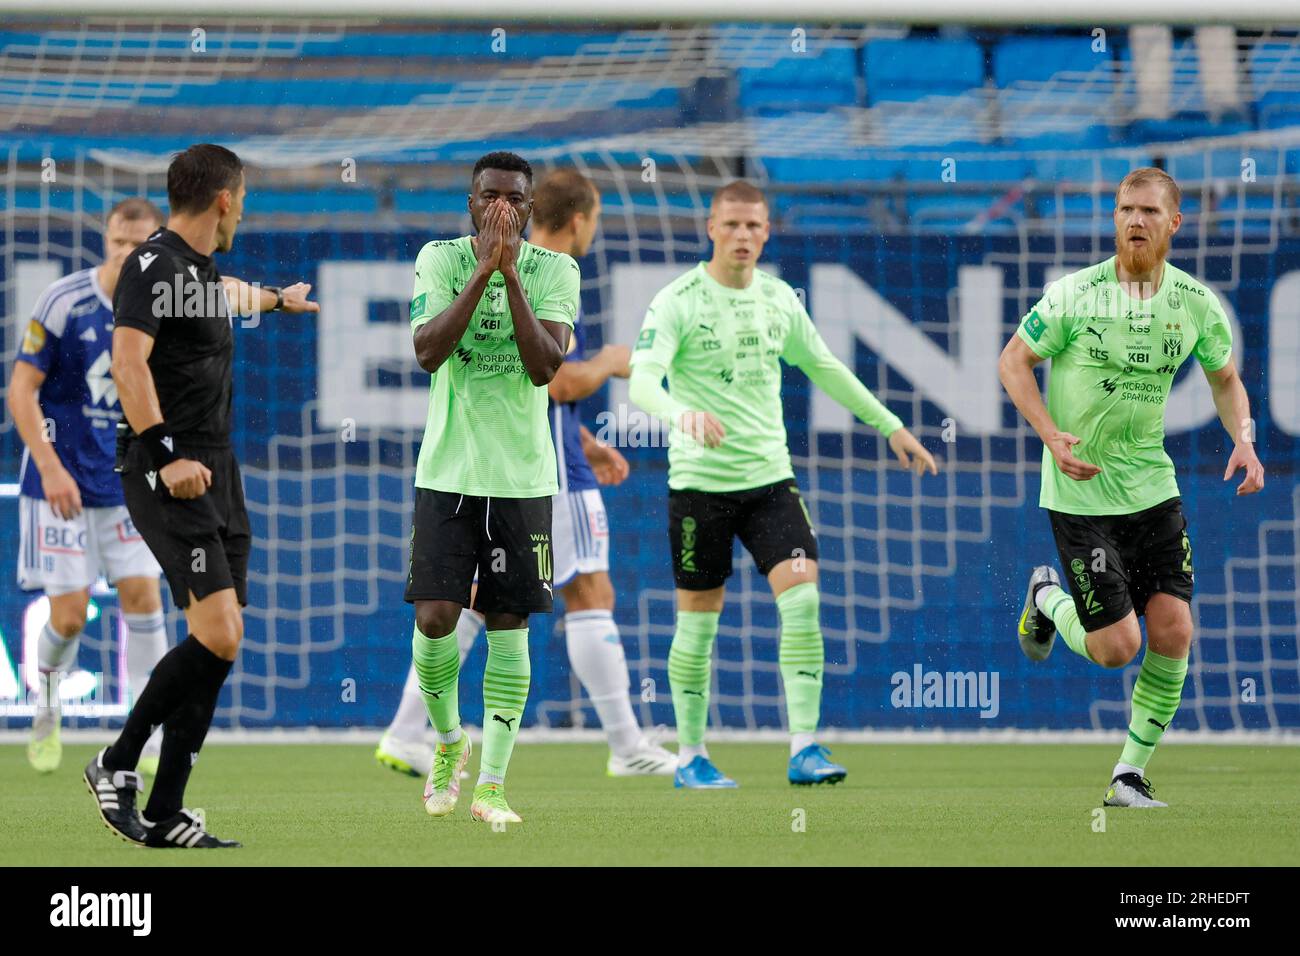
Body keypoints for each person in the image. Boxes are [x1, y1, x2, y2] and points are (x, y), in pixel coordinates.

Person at [628, 180, 937, 789]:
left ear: (767, 232)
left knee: (803, 600)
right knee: (699, 623)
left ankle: (804, 748)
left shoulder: (778, 301)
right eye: (732, 225)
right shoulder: (677, 301)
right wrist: (678, 415)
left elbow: (824, 365)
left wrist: (890, 425)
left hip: (771, 482)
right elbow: (641, 381)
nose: (743, 236)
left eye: (754, 226)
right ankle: (691, 755)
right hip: (699, 488)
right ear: (711, 228)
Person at [375, 168, 674, 779]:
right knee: (588, 588)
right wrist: (610, 364)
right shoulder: (522, 268)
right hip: (538, 474)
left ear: (536, 207)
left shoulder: (555, 273)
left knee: (483, 605)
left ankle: (410, 733)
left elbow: (538, 382)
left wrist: (585, 440)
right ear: (582, 220)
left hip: (546, 456)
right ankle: (627, 745)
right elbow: (558, 380)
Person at [1000, 166, 1265, 807]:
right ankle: (1047, 601)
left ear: (1174, 223)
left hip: (1152, 488)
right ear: (1114, 218)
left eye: (1148, 211)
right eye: (1125, 210)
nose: (1135, 221)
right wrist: (1049, 434)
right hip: (1080, 495)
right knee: (1119, 648)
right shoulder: (1074, 294)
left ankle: (1128, 775)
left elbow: (1224, 380)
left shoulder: (1195, 304)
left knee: (1174, 630)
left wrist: (1245, 439)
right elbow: (1013, 361)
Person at [83, 144, 318, 848]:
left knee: (222, 639)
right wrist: (166, 455)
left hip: (217, 467)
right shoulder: (149, 266)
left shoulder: (197, 271)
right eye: (242, 195)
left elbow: (226, 294)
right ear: (224, 198)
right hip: (166, 467)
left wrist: (277, 300)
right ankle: (115, 763)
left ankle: (164, 812)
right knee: (217, 633)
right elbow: (128, 364)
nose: (244, 207)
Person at [407, 151, 577, 825]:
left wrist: (511, 274)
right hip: (447, 473)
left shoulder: (556, 270)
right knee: (434, 618)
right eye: (489, 197)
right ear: (470, 203)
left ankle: (494, 785)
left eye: (514, 200)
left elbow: (544, 366)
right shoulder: (440, 259)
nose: (500, 210)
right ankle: (449, 740)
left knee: (509, 623)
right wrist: (484, 268)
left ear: (531, 210)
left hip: (522, 479)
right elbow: (427, 351)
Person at [10, 198, 168, 775]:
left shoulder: (165, 309)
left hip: (129, 484)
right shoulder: (64, 301)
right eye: (117, 244)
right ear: (106, 242)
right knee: (71, 617)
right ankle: (46, 711)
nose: (127, 255)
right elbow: (20, 392)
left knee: (143, 599)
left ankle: (146, 734)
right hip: (63, 489)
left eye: (139, 246)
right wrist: (50, 467)